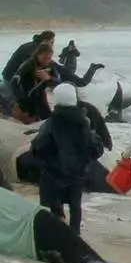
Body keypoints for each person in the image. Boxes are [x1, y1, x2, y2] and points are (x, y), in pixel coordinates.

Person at [28, 84, 104, 235]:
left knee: (52, 206)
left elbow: (38, 145)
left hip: (53, 173)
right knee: (75, 205)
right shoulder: (84, 122)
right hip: (77, 173)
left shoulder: (52, 122)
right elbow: (96, 147)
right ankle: (75, 235)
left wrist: (44, 160)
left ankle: (56, 234)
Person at [13, 43, 105, 122]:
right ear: (38, 54)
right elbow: (16, 85)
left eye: (49, 58)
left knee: (47, 117)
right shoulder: (28, 67)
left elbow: (59, 83)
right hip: (27, 98)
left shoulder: (50, 64)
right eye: (44, 58)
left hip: (42, 93)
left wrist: (49, 78)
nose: (47, 60)